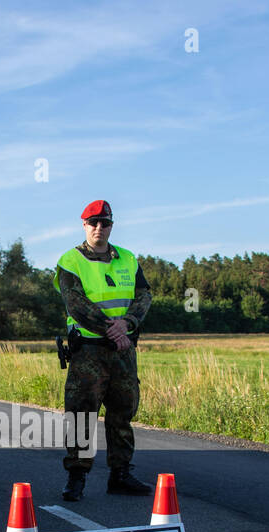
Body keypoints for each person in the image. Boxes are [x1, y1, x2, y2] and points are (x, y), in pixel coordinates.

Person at [54, 200, 153, 500]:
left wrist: (129, 323)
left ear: (111, 225)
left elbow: (144, 294)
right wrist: (113, 329)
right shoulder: (70, 261)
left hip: (123, 350)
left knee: (123, 411)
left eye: (105, 223)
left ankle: (120, 475)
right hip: (89, 351)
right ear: (84, 225)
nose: (99, 228)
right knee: (83, 413)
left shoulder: (128, 259)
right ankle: (77, 477)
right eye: (93, 222)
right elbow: (76, 304)